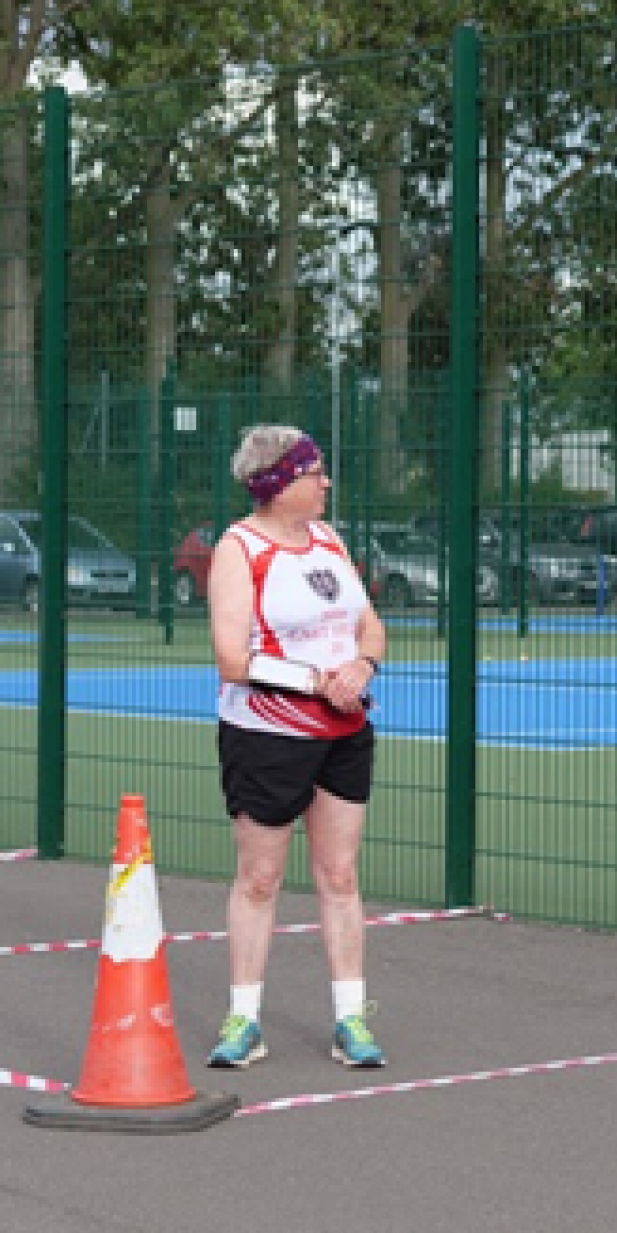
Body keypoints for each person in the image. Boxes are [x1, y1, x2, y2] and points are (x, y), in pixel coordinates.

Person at [204, 424, 389, 1070]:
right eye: (315, 472)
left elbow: (370, 625)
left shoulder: (329, 541)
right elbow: (231, 659)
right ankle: (244, 1020)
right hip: (267, 736)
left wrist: (361, 667)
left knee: (339, 875)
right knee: (260, 878)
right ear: (280, 483)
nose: (326, 482)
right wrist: (316, 681)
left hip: (345, 733)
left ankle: (350, 1020)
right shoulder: (238, 549)